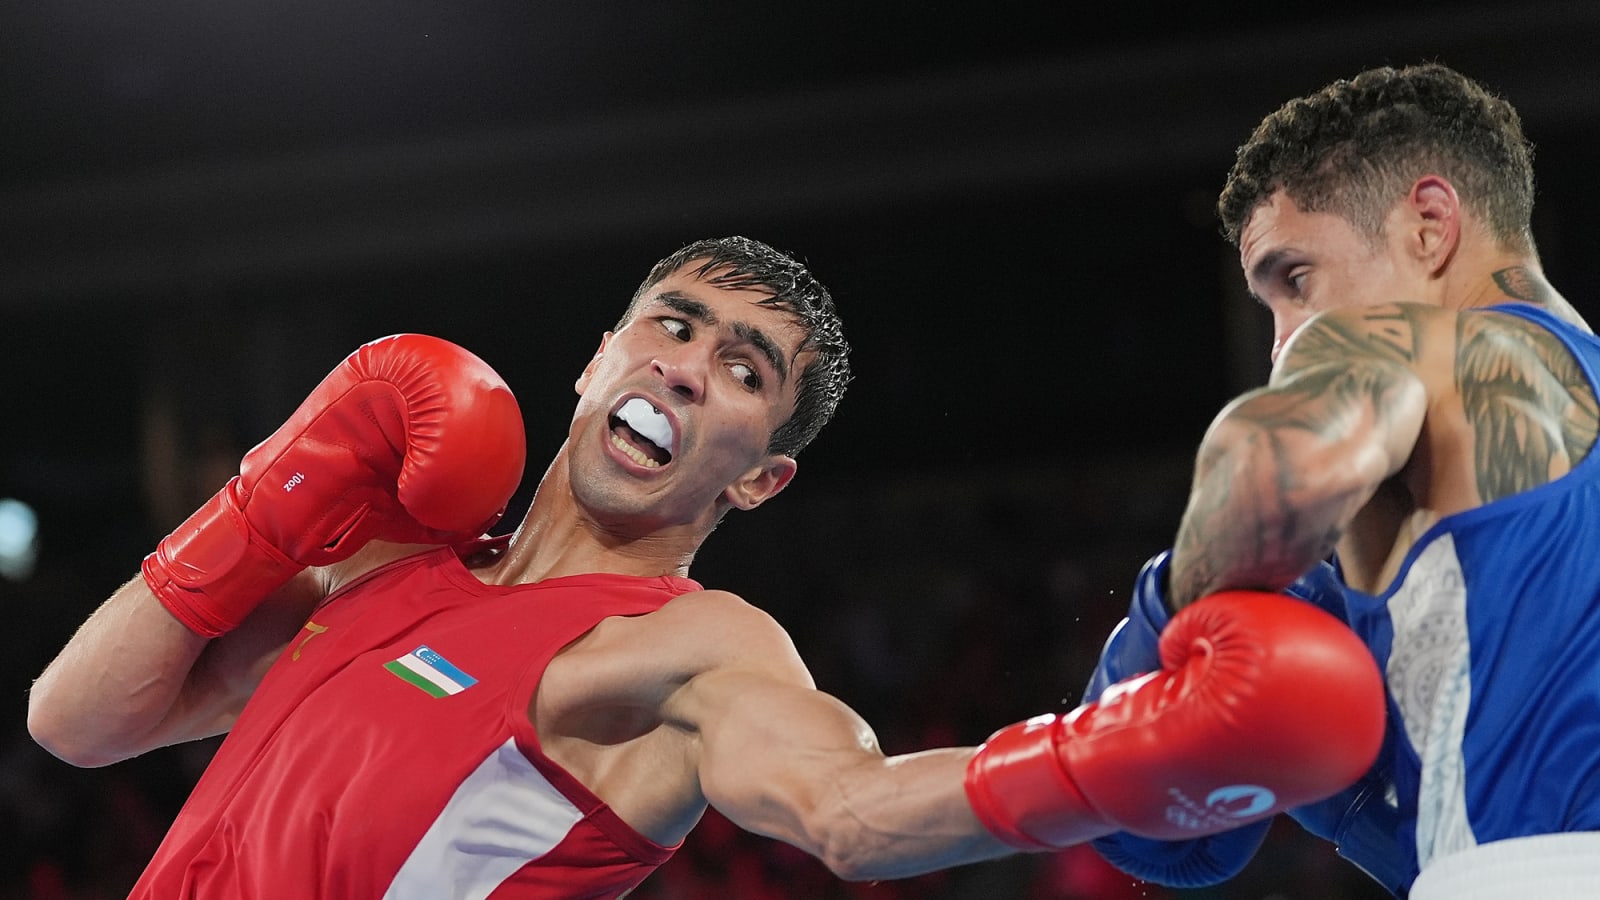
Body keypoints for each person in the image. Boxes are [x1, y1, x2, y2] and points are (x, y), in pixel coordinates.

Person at [27, 236, 1384, 898]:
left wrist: (1118, 755)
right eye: (671, 326)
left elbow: (846, 805)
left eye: (744, 371)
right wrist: (273, 488)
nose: (688, 364)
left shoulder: (691, 651)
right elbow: (82, 721)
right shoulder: (385, 564)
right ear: (597, 361)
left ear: (758, 473)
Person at [1082, 63, 1600, 899]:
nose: (1285, 342)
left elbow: (1269, 467)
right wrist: (1375, 813)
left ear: (1429, 225)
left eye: (1297, 281)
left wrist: (1169, 618)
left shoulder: (1397, 350)